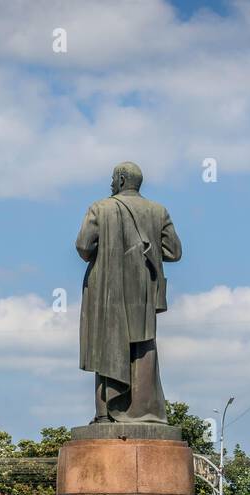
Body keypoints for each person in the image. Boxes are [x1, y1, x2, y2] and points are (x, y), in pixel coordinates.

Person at [75, 161, 182, 425]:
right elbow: (174, 252)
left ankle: (105, 415)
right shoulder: (158, 211)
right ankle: (145, 413)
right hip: (142, 293)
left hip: (106, 291)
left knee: (105, 345)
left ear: (121, 179)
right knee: (143, 348)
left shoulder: (100, 208)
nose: (111, 184)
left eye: (113, 179)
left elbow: (84, 246)